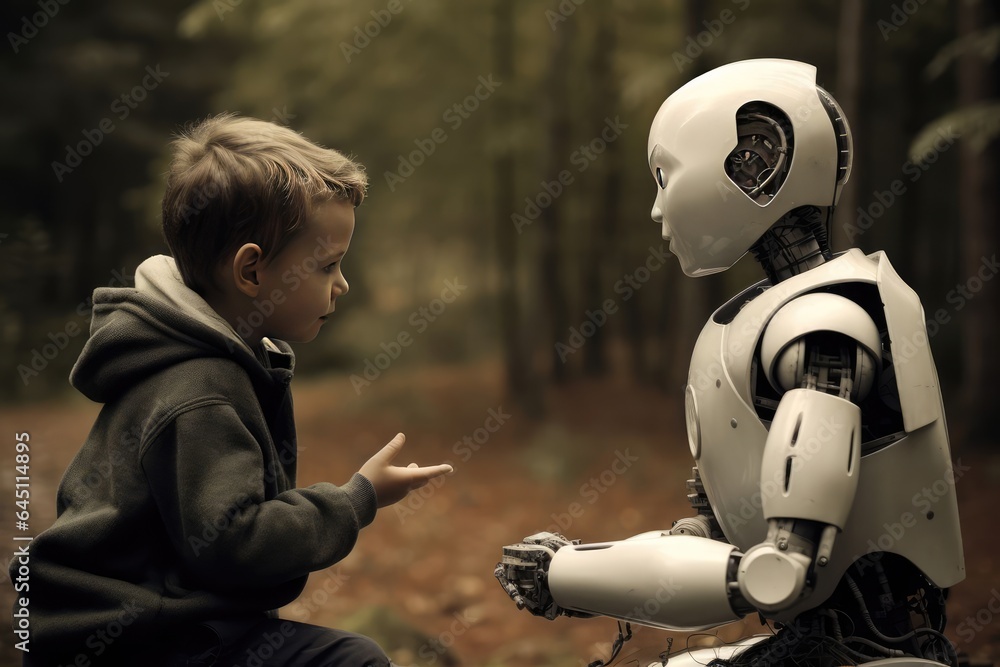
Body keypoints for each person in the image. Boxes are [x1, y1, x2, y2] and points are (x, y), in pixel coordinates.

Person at [15, 114, 453, 666]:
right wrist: (356, 498)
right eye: (328, 265)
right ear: (251, 272)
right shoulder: (198, 388)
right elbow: (234, 542)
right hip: (127, 642)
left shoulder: (203, 357)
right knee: (353, 660)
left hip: (153, 627)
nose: (342, 284)